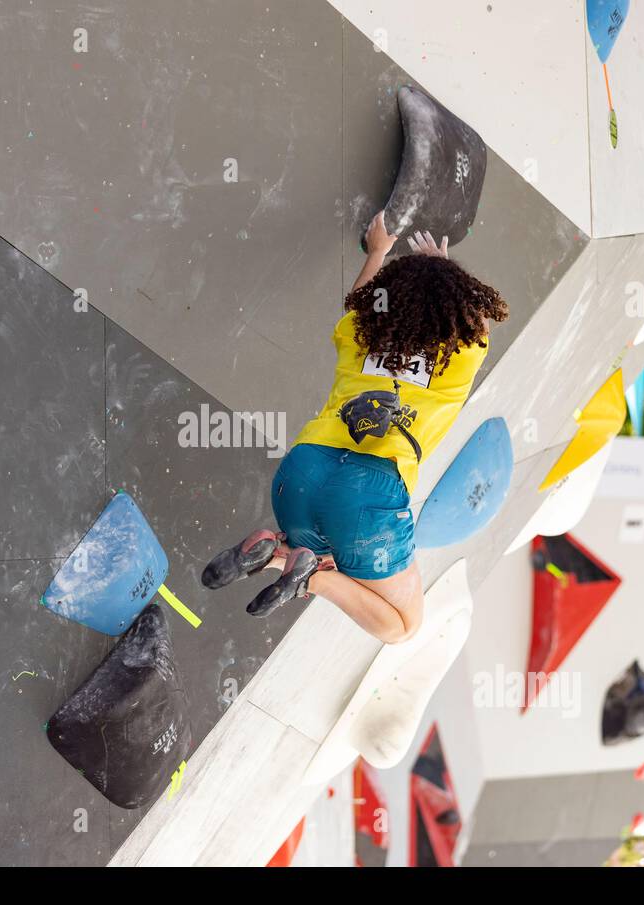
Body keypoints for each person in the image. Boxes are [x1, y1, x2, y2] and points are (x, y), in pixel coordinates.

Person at [201, 212, 508, 644]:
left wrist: (381, 251)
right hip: (365, 492)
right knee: (401, 626)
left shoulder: (361, 335)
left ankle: (279, 555)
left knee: (331, 540)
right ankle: (300, 573)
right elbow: (477, 322)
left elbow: (361, 301)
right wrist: (443, 269)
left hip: (305, 469)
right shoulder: (458, 358)